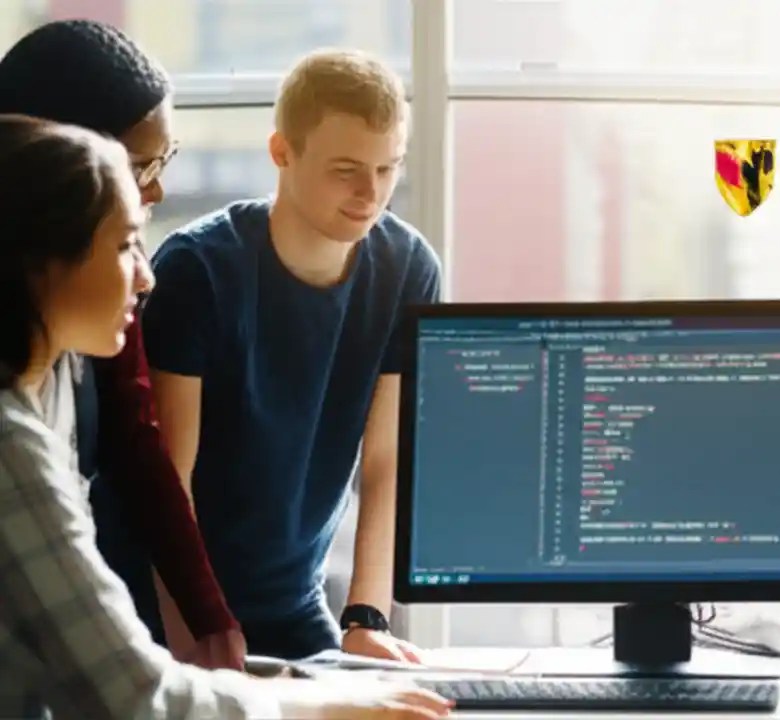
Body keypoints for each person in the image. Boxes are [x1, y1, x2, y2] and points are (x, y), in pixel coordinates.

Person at [0, 112, 453, 720]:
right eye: (124, 243)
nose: (145, 275)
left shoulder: (48, 401)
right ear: (43, 263)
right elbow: (138, 695)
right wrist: (318, 707)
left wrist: (348, 644)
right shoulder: (13, 448)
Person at [141, 48, 441, 661]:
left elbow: (385, 458)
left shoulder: (408, 268)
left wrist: (366, 617)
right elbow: (170, 482)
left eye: (388, 169)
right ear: (281, 152)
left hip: (297, 607)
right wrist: (204, 634)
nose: (371, 193)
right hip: (172, 608)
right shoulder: (197, 268)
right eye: (346, 170)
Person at [0, 19, 243, 669]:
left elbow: (139, 436)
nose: (157, 188)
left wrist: (210, 619)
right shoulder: (13, 442)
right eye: (140, 167)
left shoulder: (97, 292)